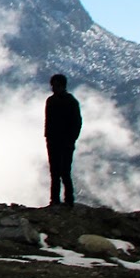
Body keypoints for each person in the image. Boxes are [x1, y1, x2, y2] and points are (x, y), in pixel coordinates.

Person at [44, 73, 82, 208]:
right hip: (54, 142)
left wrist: (70, 140)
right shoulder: (52, 101)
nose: (53, 88)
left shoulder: (70, 102)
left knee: (64, 172)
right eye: (52, 86)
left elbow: (77, 123)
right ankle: (55, 200)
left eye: (55, 86)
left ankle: (68, 201)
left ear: (62, 86)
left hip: (64, 143)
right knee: (55, 172)